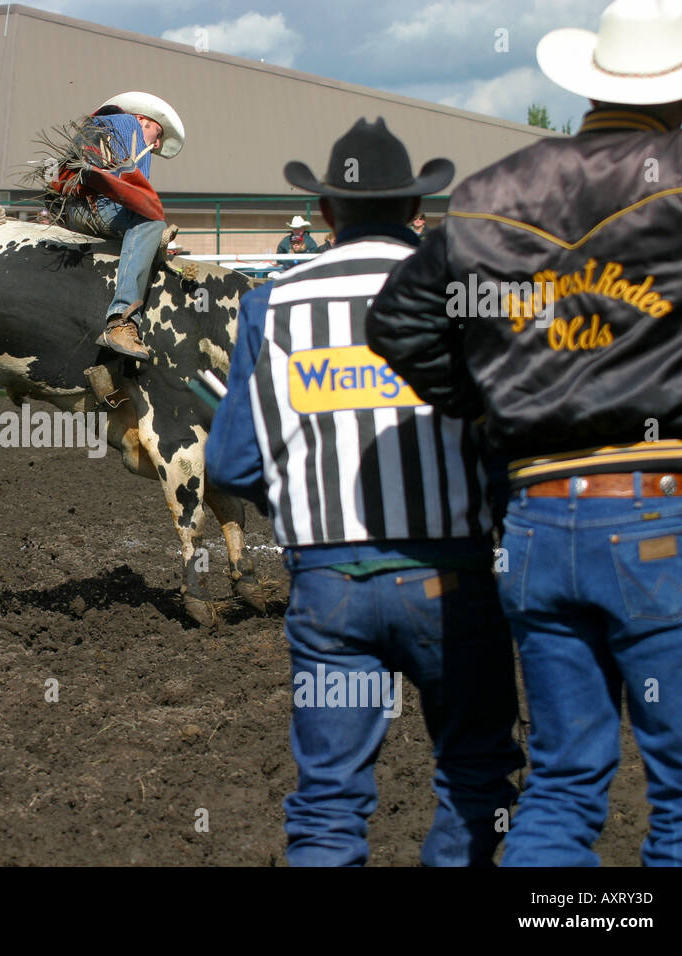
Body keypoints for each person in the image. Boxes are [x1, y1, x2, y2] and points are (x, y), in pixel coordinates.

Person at [366, 0, 682, 868]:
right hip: (664, 509)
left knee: (562, 782)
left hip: (537, 519)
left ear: (590, 87)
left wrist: (483, 406)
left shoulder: (488, 194)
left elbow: (400, 322)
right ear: (680, 98)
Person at [207, 116, 523, 867]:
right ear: (420, 211)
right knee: (477, 781)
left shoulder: (270, 304)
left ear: (324, 214)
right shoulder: (462, 298)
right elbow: (511, 436)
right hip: (455, 577)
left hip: (330, 589)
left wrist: (300, 498)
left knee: (328, 801)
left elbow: (230, 463)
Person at [48, 91, 185, 360]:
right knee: (151, 223)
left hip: (70, 209)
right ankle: (122, 322)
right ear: (143, 120)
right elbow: (133, 195)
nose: (156, 145)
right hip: (96, 206)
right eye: (157, 134)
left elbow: (56, 174)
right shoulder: (129, 126)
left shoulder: (99, 124)